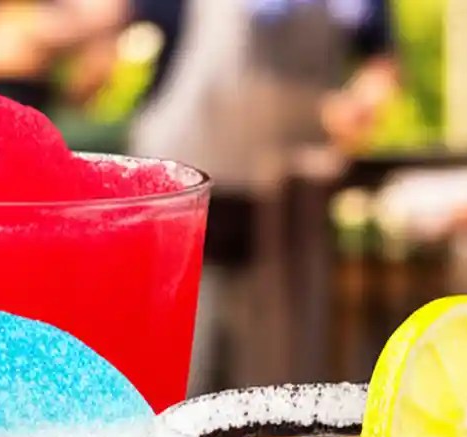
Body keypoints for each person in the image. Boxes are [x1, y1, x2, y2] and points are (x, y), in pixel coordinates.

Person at [130, 0, 399, 395]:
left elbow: (382, 63)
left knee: (275, 385)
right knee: (181, 375)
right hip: (183, 186)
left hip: (285, 202)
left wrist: (360, 106)